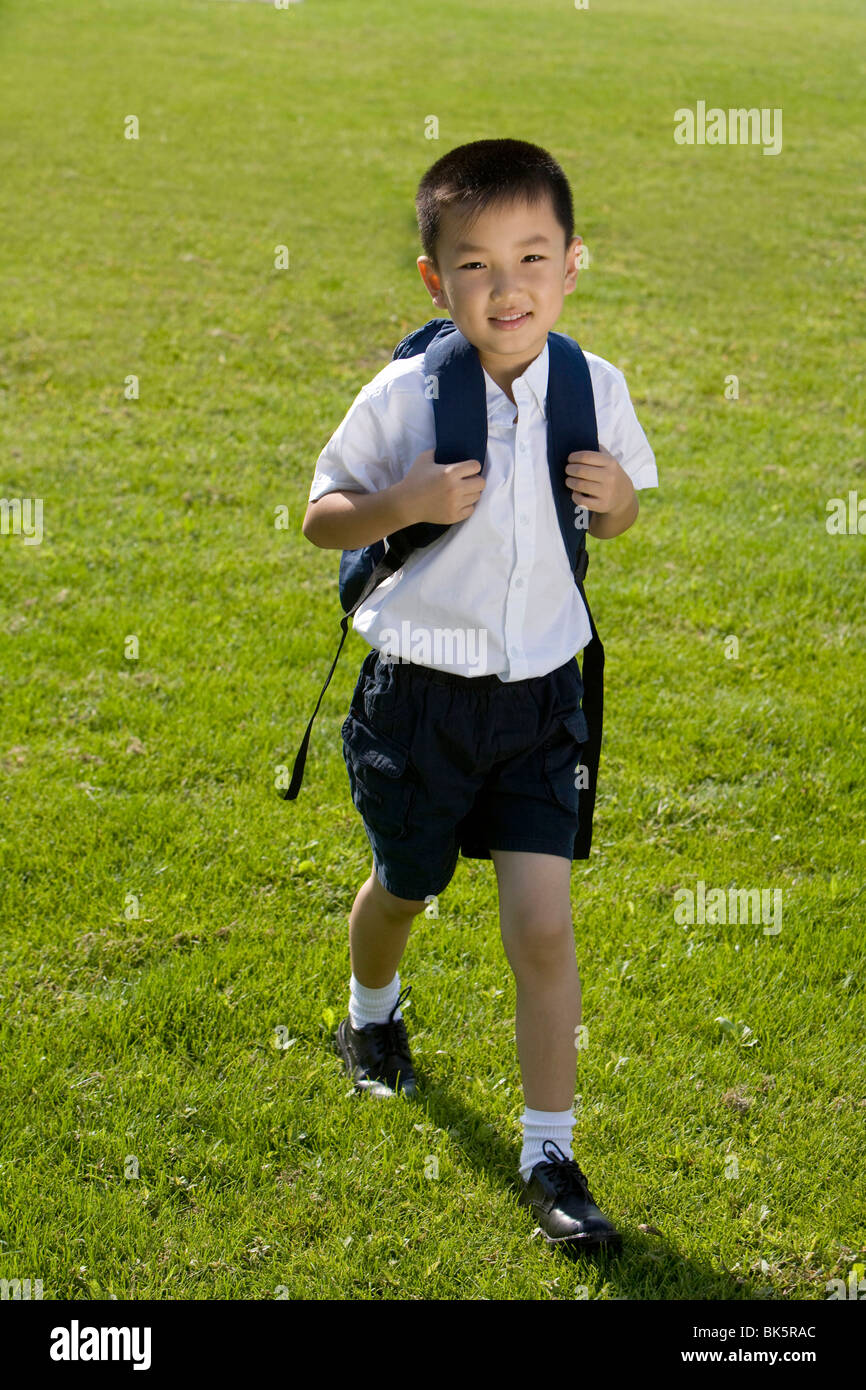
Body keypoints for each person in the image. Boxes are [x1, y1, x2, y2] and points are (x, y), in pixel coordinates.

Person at [301, 138, 658, 1258]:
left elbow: (617, 514)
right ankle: (370, 1014)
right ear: (432, 278)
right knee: (401, 887)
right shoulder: (409, 391)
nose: (505, 289)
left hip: (543, 702)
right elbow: (320, 515)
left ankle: (548, 1150)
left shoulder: (594, 388)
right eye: (472, 265)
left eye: (530, 258)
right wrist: (398, 498)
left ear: (570, 265)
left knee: (541, 928)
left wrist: (614, 503)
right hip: (418, 702)